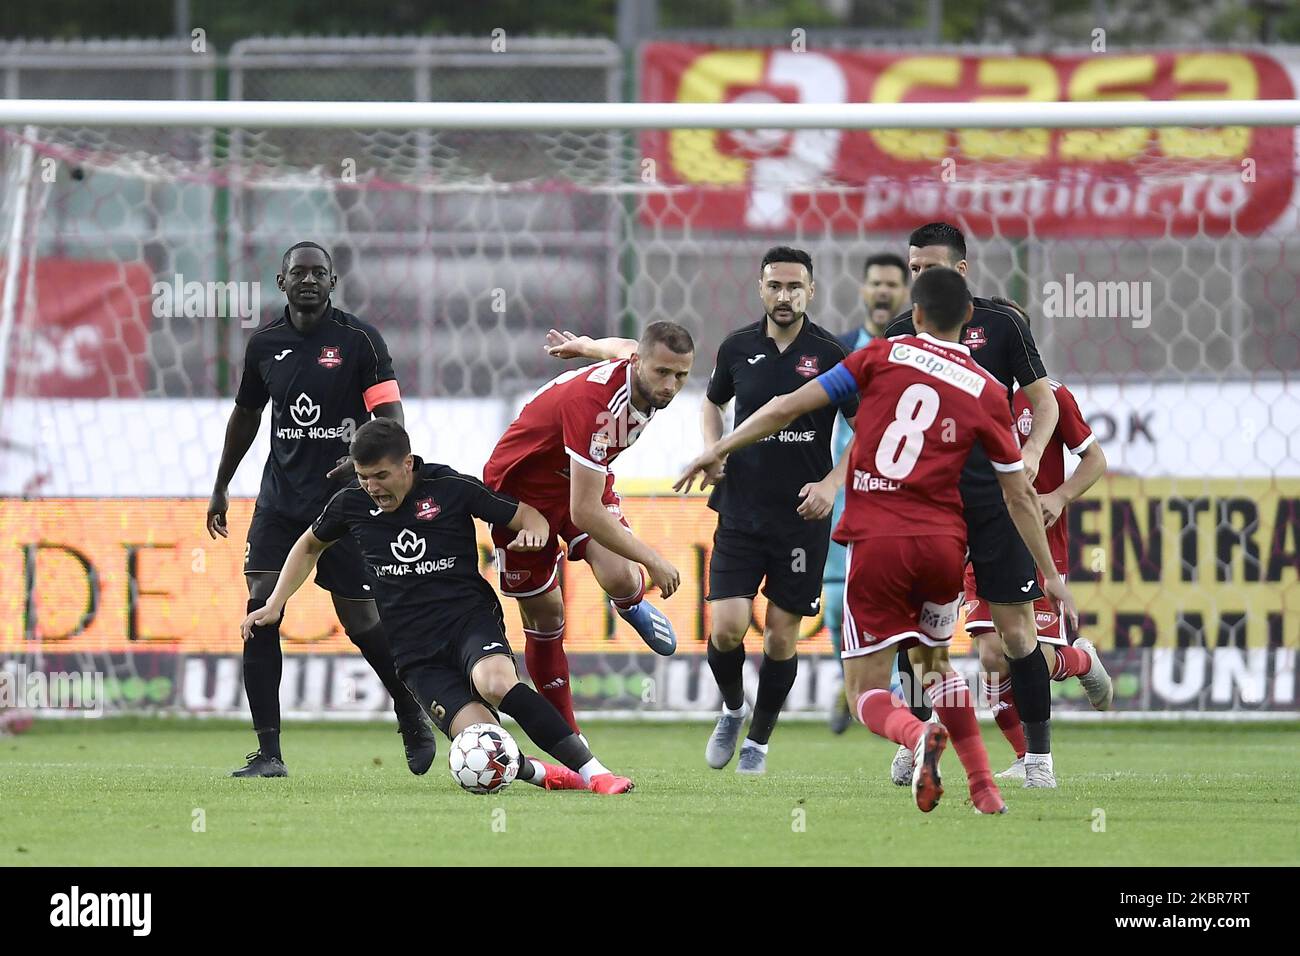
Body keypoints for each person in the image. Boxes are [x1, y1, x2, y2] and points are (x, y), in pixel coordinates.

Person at [677, 267, 1079, 815]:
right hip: (941, 547)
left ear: (913, 317)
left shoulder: (878, 357)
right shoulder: (987, 390)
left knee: (864, 691)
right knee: (936, 665)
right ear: (968, 319)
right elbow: (1019, 496)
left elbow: (785, 407)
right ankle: (984, 786)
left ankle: (916, 739)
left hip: (878, 540)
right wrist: (1050, 577)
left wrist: (719, 445)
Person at [242, 419, 634, 794]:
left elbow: (528, 515)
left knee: (494, 683)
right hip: (414, 652)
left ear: (408, 464)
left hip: (467, 622)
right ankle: (543, 773)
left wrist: (535, 531)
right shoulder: (350, 504)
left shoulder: (449, 487)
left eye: (381, 475)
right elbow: (309, 544)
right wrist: (275, 602)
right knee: (480, 740)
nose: (372, 487)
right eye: (363, 477)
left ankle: (596, 774)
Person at [207, 241, 433, 778]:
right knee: (261, 606)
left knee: (361, 620)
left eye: (319, 273)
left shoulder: (360, 341)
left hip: (346, 504)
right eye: (298, 273)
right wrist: (220, 486)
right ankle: (269, 753)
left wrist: (364, 462)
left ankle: (409, 709)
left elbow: (391, 414)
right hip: (280, 503)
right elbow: (245, 417)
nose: (309, 280)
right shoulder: (265, 345)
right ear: (281, 283)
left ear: (333, 282)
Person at [883, 222, 1064, 789]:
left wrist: (1031, 452)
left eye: (928, 268)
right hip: (927, 500)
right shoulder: (898, 332)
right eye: (912, 269)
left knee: (1015, 633)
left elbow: (1044, 401)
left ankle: (1039, 760)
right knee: (915, 628)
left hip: (993, 500)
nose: (917, 279)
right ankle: (916, 736)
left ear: (960, 271)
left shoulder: (1003, 324)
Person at [689, 246, 857, 775]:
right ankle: (733, 708)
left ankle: (759, 741)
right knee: (727, 629)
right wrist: (715, 450)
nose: (784, 296)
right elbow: (710, 403)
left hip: (802, 520)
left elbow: (870, 427)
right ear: (760, 288)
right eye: (775, 286)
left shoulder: (831, 353)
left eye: (794, 287)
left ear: (811, 290)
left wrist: (833, 481)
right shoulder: (737, 347)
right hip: (740, 508)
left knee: (782, 635)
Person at [483, 321, 695, 735]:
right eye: (662, 374)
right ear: (639, 365)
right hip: (519, 493)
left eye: (681, 376)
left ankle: (631, 604)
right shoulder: (599, 407)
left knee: (619, 574)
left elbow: (620, 345)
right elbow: (585, 512)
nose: (671, 386)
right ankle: (567, 733)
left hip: (577, 475)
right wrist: (654, 560)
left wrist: (585, 345)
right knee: (547, 615)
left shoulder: (638, 363)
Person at [965, 297, 1114, 780]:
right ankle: (1024, 757)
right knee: (991, 656)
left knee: (1029, 652)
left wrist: (1060, 496)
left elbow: (1095, 459)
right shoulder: (963, 391)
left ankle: (1079, 660)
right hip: (980, 537)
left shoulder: (1051, 396)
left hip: (1037, 541)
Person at [824, 252, 912, 738]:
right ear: (863, 291)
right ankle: (857, 685)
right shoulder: (841, 353)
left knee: (901, 609)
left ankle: (882, 697)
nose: (883, 291)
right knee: (839, 606)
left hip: (905, 500)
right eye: (875, 282)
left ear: (905, 294)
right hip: (847, 498)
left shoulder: (920, 352)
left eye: (892, 284)